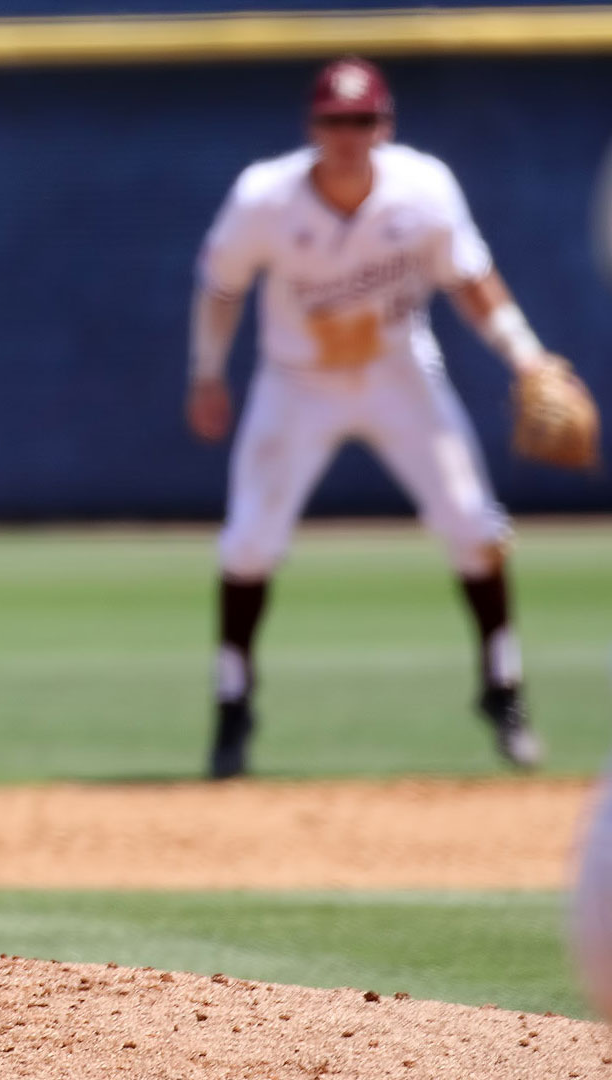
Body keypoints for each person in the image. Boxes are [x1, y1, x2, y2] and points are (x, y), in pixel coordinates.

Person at [186, 56, 567, 779]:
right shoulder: (265, 197)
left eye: (364, 120)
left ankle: (503, 688)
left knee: (475, 525)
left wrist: (526, 355)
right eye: (336, 120)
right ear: (313, 126)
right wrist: (206, 372)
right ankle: (233, 706)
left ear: (385, 125)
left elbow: (471, 280)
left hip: (399, 373)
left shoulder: (422, 188)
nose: (350, 134)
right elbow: (220, 283)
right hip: (298, 381)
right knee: (248, 545)